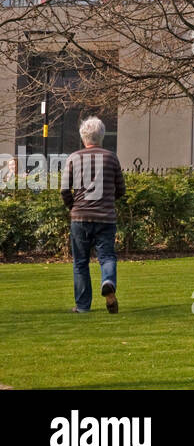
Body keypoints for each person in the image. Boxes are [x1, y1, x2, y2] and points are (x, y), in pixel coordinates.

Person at [59, 116, 126, 314]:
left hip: (80, 217)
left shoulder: (73, 158)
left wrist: (73, 207)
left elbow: (64, 190)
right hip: (105, 217)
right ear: (102, 136)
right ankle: (108, 281)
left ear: (83, 137)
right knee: (106, 256)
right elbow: (121, 189)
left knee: (80, 262)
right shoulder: (111, 157)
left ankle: (82, 306)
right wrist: (107, 201)